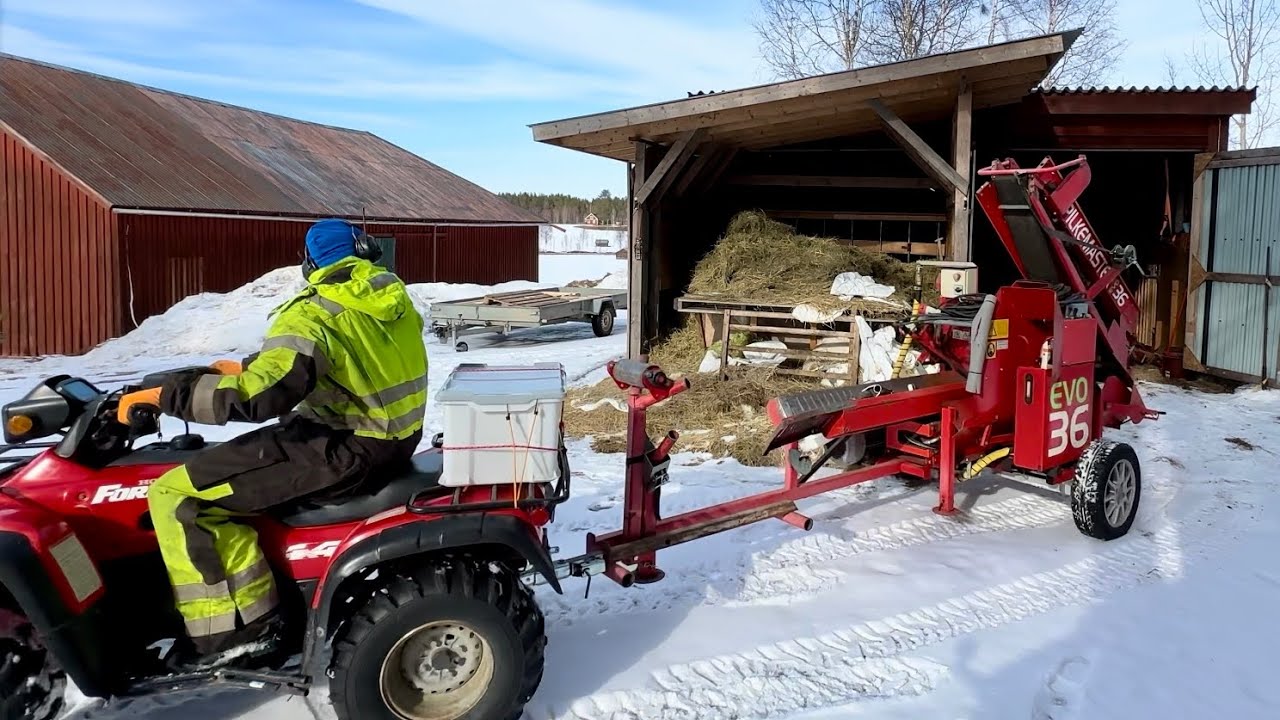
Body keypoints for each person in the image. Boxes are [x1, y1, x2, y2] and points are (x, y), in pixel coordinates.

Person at [117, 218, 429, 664]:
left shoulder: (313, 312)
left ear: (309, 262)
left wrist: (168, 397)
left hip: (344, 447)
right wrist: (248, 365)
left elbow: (261, 397)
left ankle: (236, 633)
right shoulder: (391, 297)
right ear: (362, 252)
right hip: (393, 439)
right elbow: (339, 363)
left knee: (177, 493)